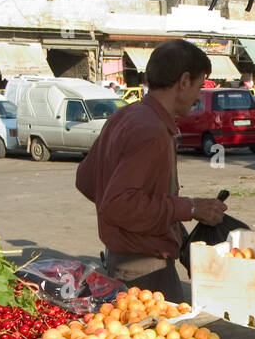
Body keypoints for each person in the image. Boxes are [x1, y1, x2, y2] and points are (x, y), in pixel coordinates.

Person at [76, 40, 228, 302]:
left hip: (123, 262)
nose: (198, 96)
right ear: (183, 81)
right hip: (146, 273)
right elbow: (117, 204)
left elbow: (87, 180)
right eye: (199, 86)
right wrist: (190, 208)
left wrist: (149, 224)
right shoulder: (152, 131)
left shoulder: (125, 116)